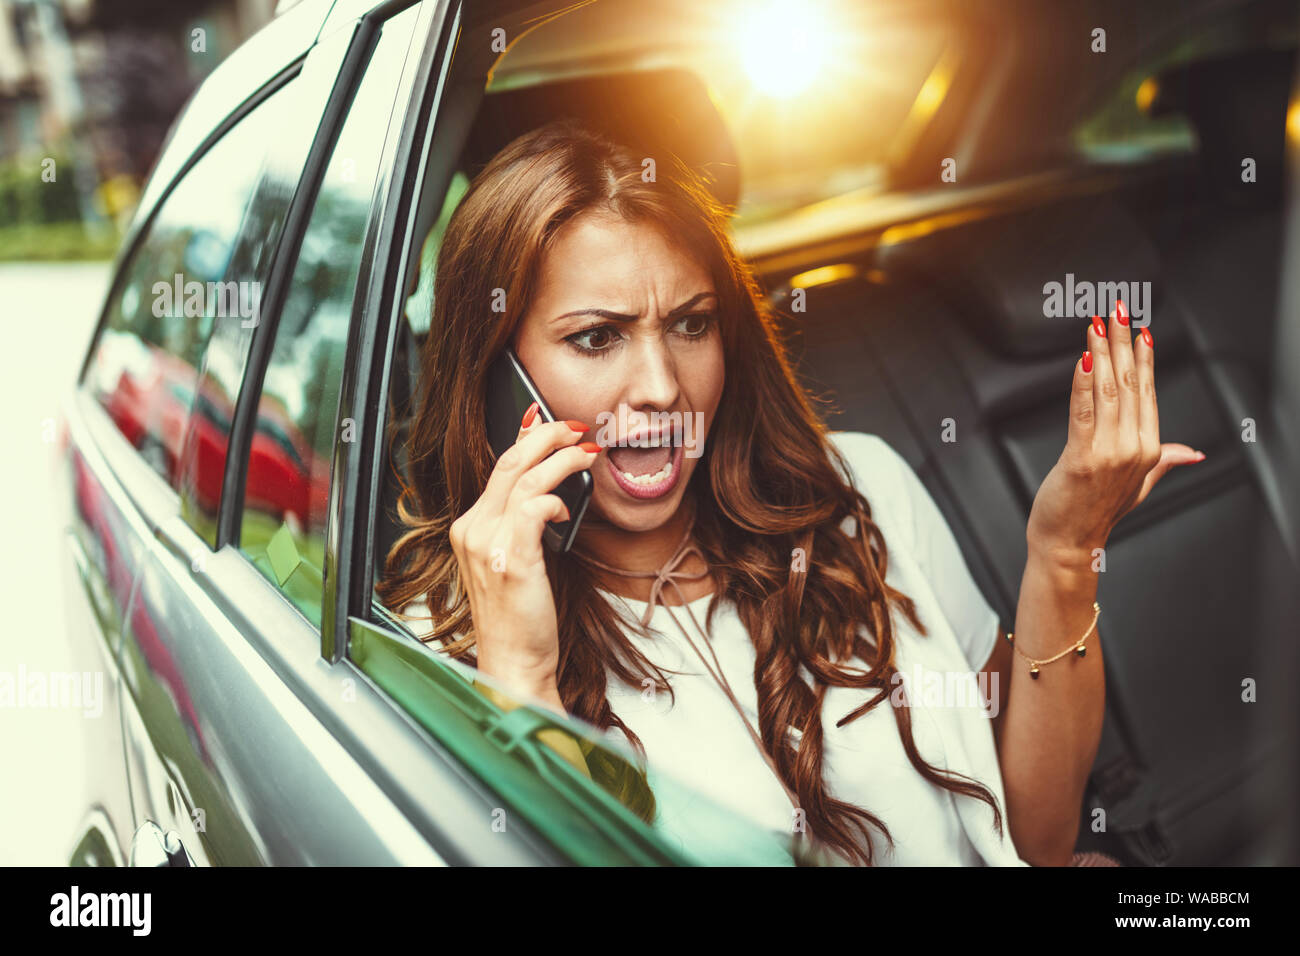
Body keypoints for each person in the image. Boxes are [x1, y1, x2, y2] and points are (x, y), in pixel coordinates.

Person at [376, 117, 1203, 866]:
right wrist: (521, 675)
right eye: (597, 338)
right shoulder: (444, 645)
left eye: (692, 325)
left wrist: (1062, 554)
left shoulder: (859, 487)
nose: (663, 386)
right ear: (496, 376)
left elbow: (1035, 837)